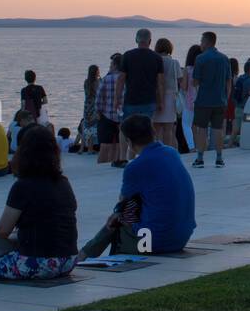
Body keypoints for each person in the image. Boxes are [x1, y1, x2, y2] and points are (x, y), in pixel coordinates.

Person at [0, 125, 78, 283]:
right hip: (68, 260)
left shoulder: (23, 186)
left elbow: (2, 230)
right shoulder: (63, 183)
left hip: (41, 262)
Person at [81, 114, 196, 257]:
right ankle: (85, 254)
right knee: (129, 209)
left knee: (119, 218)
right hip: (180, 238)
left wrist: (120, 212)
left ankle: (86, 256)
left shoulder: (135, 167)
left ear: (128, 141)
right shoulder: (171, 153)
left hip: (153, 242)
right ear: (153, 132)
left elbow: (123, 203)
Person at [117, 29, 165, 159]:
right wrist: (161, 101)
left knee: (125, 128)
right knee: (146, 130)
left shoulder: (127, 56)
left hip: (130, 100)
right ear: (150, 41)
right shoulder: (156, 58)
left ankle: (123, 157)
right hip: (149, 100)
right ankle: (142, 157)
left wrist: (117, 99)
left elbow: (121, 79)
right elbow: (160, 82)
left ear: (136, 40)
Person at [190, 31, 232, 168]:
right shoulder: (224, 58)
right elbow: (228, 81)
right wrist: (226, 97)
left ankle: (200, 158)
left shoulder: (200, 58)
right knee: (218, 129)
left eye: (201, 41)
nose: (200, 44)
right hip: (220, 100)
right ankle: (219, 158)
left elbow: (195, 81)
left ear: (207, 42)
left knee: (201, 129)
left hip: (203, 100)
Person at [152, 38, 183, 148]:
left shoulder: (154, 61)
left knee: (156, 129)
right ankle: (167, 151)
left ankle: (157, 150)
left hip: (155, 96)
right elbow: (180, 79)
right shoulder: (174, 63)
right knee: (169, 130)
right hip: (170, 97)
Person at [96, 53, 124, 167]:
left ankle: (101, 167)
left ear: (115, 65)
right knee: (118, 144)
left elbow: (98, 98)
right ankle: (115, 165)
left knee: (104, 146)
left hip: (106, 115)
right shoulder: (126, 79)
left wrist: (98, 112)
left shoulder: (106, 79)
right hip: (121, 115)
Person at [81, 64, 101, 153]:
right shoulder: (97, 81)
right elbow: (99, 94)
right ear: (96, 71)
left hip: (87, 105)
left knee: (88, 125)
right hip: (95, 105)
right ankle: (91, 148)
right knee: (94, 125)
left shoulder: (86, 81)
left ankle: (88, 147)